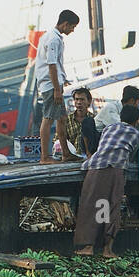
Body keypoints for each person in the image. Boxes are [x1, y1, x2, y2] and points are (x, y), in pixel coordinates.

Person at [73, 104, 139, 258]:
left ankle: (89, 247)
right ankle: (107, 249)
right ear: (136, 120)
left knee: (93, 205)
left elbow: (101, 146)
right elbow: (131, 156)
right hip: (116, 171)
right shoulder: (136, 134)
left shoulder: (109, 128)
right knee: (112, 207)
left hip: (96, 168)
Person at [36, 9, 80, 164]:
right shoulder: (53, 39)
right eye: (72, 27)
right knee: (47, 118)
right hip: (50, 85)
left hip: (54, 83)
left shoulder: (49, 36)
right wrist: (56, 89)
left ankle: (66, 153)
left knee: (61, 118)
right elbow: (52, 65)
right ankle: (45, 157)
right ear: (65, 24)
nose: (72, 30)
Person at [58, 86, 94, 159]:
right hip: (71, 158)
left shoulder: (94, 119)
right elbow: (58, 139)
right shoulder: (67, 120)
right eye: (76, 99)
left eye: (82, 99)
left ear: (89, 101)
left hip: (89, 157)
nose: (79, 102)